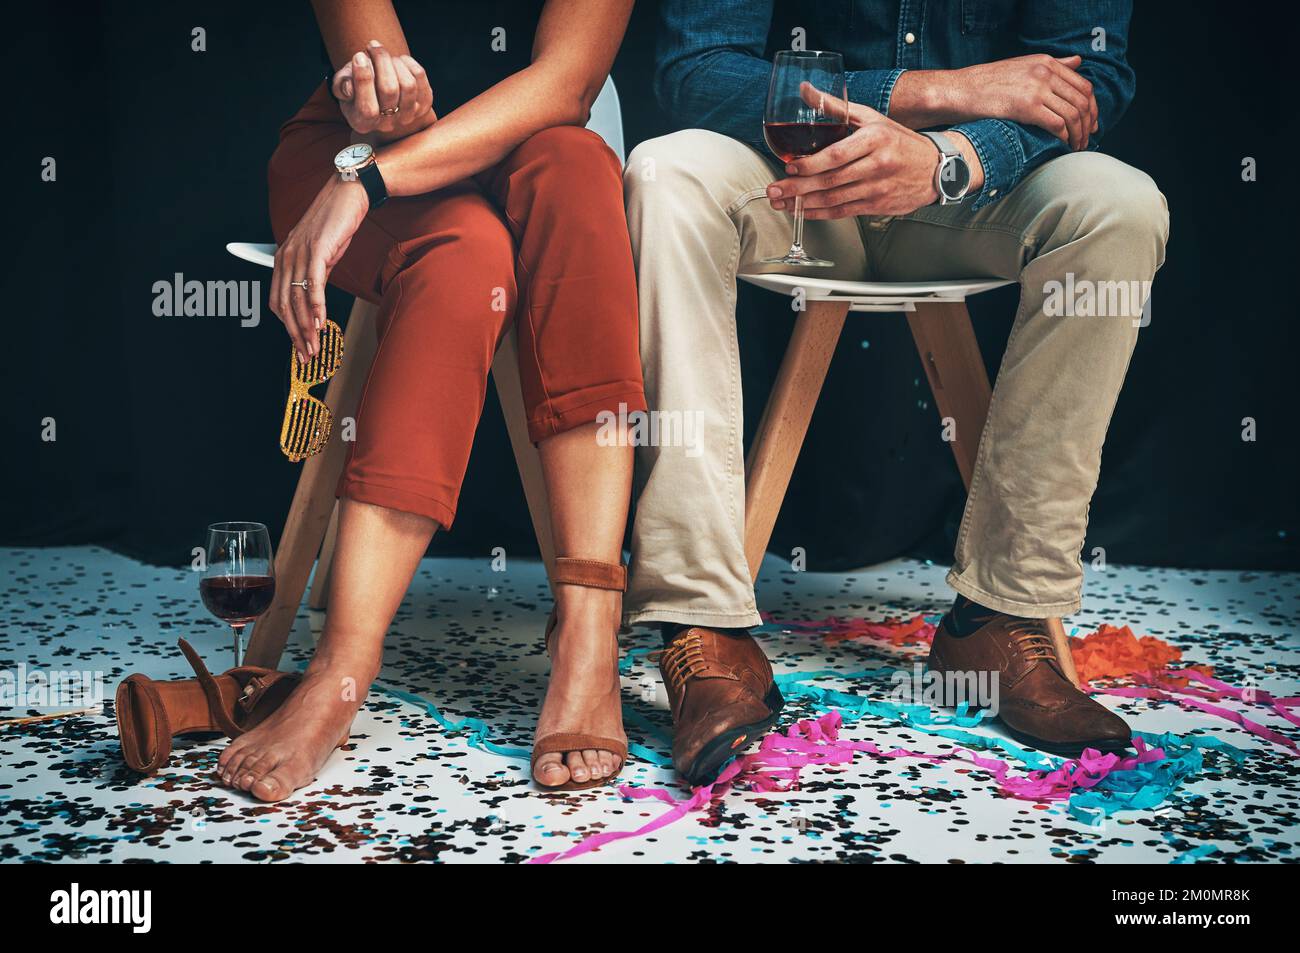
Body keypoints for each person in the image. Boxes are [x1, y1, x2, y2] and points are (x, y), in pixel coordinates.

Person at [624, 0, 1169, 779]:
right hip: (796, 188)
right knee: (664, 171)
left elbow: (1091, 79)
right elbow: (697, 74)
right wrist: (947, 89)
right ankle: (702, 625)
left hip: (974, 194)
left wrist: (954, 157)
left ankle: (1002, 613)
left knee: (1120, 206)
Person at [217, 0, 643, 800]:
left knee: (580, 171)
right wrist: (375, 127)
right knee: (463, 254)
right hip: (355, 146)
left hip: (513, 135)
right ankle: (342, 668)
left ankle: (589, 637)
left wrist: (368, 185)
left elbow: (565, 86)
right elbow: (383, 100)